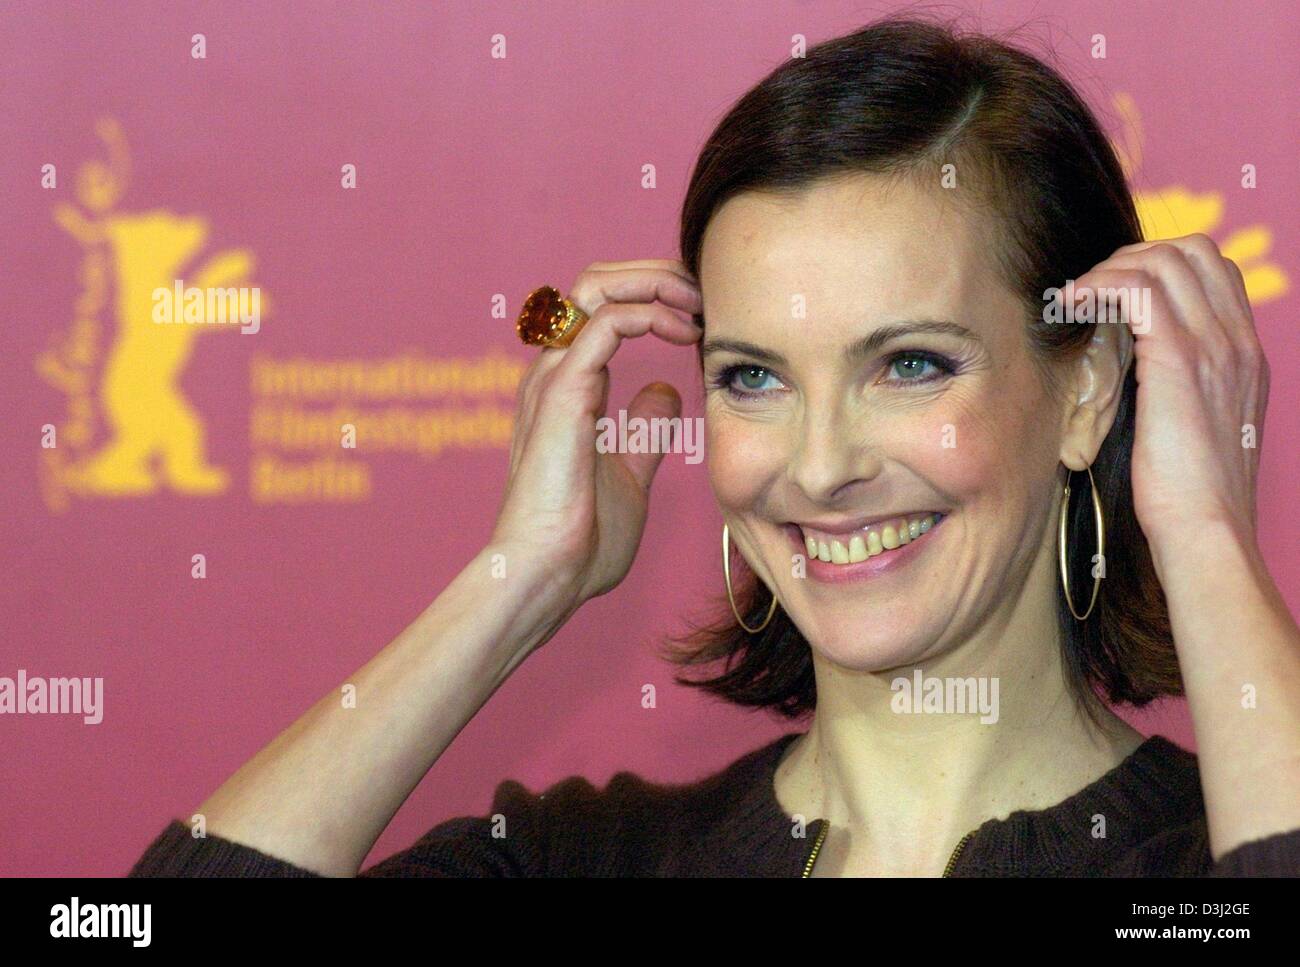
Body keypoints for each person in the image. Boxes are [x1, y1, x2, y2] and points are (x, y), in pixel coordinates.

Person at [129, 17, 1300, 877]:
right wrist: (520, 579)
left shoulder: (1201, 868)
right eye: (753, 378)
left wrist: (1200, 534)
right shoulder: (582, 859)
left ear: (1086, 388)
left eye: (910, 364)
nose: (820, 462)